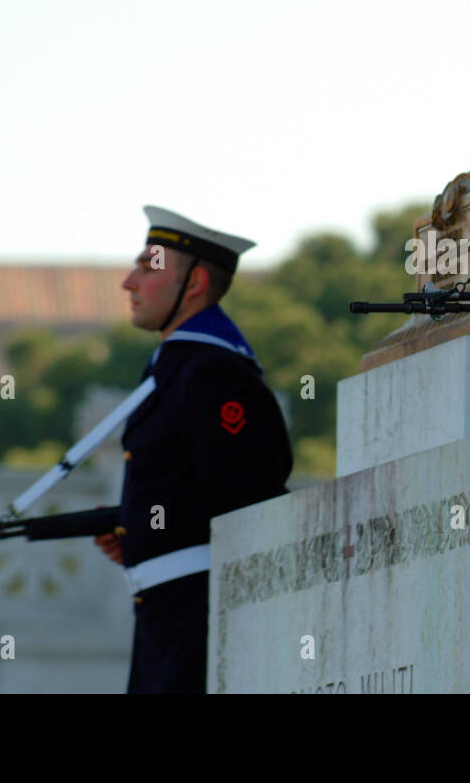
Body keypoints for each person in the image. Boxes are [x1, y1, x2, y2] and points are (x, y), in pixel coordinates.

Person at [94, 205, 292, 693]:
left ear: (196, 282)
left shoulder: (214, 374)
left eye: (148, 267)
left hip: (202, 615)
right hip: (166, 614)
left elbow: (248, 496)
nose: (129, 282)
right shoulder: (178, 367)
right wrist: (142, 525)